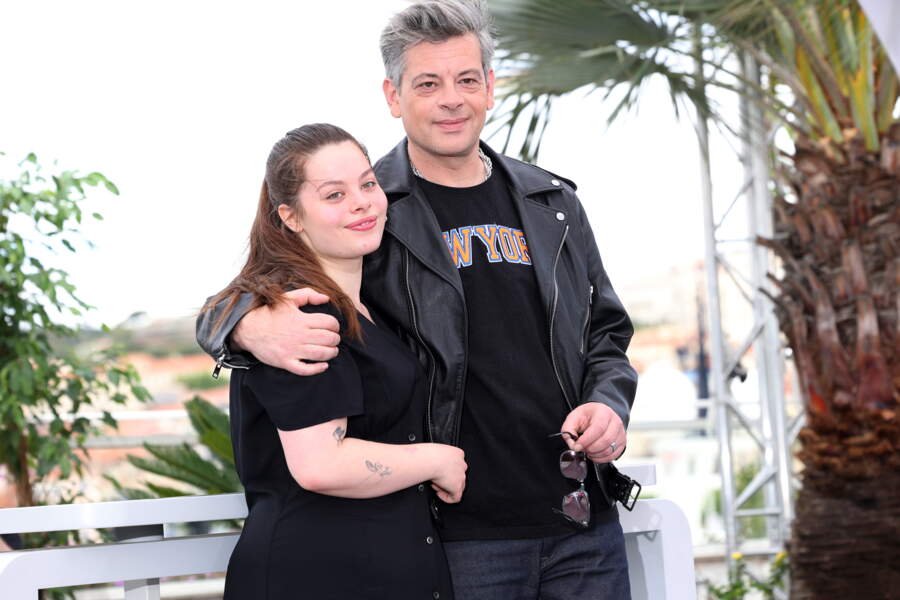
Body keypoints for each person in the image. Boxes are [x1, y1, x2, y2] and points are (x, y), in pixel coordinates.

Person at [197, 1, 639, 598]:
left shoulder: (553, 202)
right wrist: (242, 323)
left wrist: (609, 403)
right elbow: (265, 279)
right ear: (393, 95)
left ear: (490, 87)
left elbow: (606, 334)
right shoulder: (371, 211)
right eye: (427, 83)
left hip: (583, 523)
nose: (451, 99)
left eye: (466, 79)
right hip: (458, 533)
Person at [209, 123, 463, 600]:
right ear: (292, 217)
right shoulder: (296, 313)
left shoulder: (370, 306)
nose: (362, 202)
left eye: (368, 184)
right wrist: (436, 460)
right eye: (334, 195)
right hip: (318, 576)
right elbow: (320, 465)